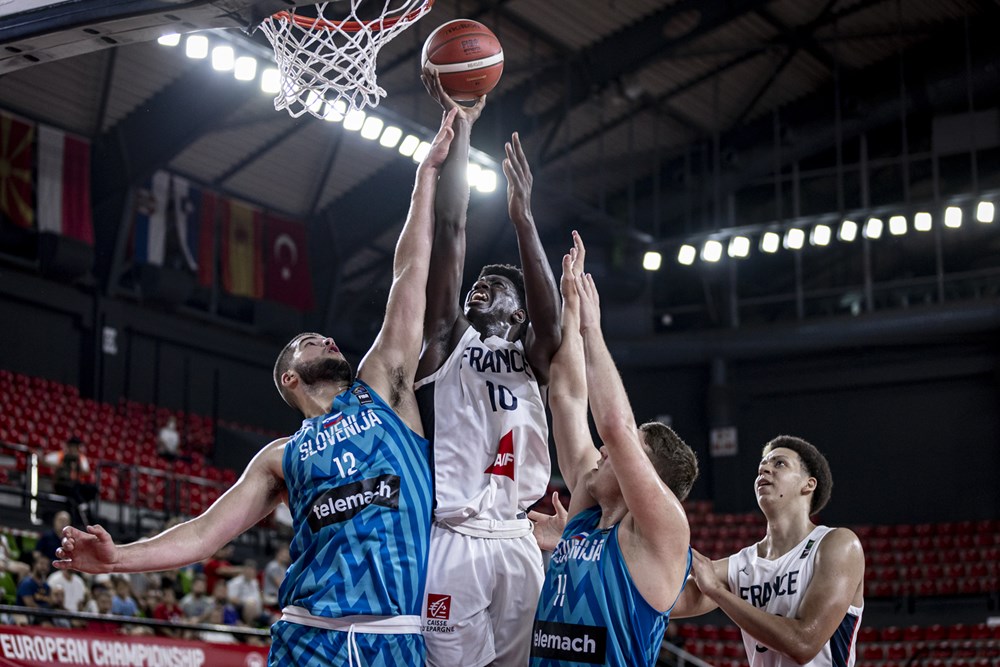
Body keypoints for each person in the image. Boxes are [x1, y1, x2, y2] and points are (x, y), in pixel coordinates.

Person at [54, 109, 459, 666]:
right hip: (307, 635)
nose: (327, 339)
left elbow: (408, 276)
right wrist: (116, 558)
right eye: (310, 342)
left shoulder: (383, 389)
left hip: (394, 635)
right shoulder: (280, 456)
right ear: (290, 377)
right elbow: (205, 533)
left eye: (326, 337)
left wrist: (424, 177)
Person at [414, 69, 562, 667]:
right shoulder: (446, 339)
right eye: (478, 280)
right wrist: (461, 127)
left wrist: (524, 219)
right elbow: (451, 229)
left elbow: (552, 323)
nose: (479, 284)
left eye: (495, 285)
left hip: (518, 537)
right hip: (453, 536)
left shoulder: (534, 359)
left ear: (518, 311)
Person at [527, 232, 698, 666]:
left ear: (646, 475)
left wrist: (592, 329)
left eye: (624, 455)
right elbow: (566, 399)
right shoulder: (586, 514)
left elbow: (616, 429)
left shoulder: (663, 533)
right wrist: (570, 309)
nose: (603, 451)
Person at [671, 435, 866, 667]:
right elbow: (663, 599)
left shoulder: (838, 544)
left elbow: (803, 644)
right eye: (761, 467)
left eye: (779, 463)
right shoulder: (741, 564)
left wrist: (717, 592)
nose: (764, 469)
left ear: (808, 484)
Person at [44, 436, 97, 525]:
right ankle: (82, 504)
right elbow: (45, 460)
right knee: (74, 488)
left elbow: (86, 471)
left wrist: (77, 466)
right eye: (73, 446)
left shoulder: (80, 458)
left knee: (91, 488)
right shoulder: (61, 455)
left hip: (75, 486)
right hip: (62, 485)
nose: (74, 449)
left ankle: (82, 505)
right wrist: (60, 465)